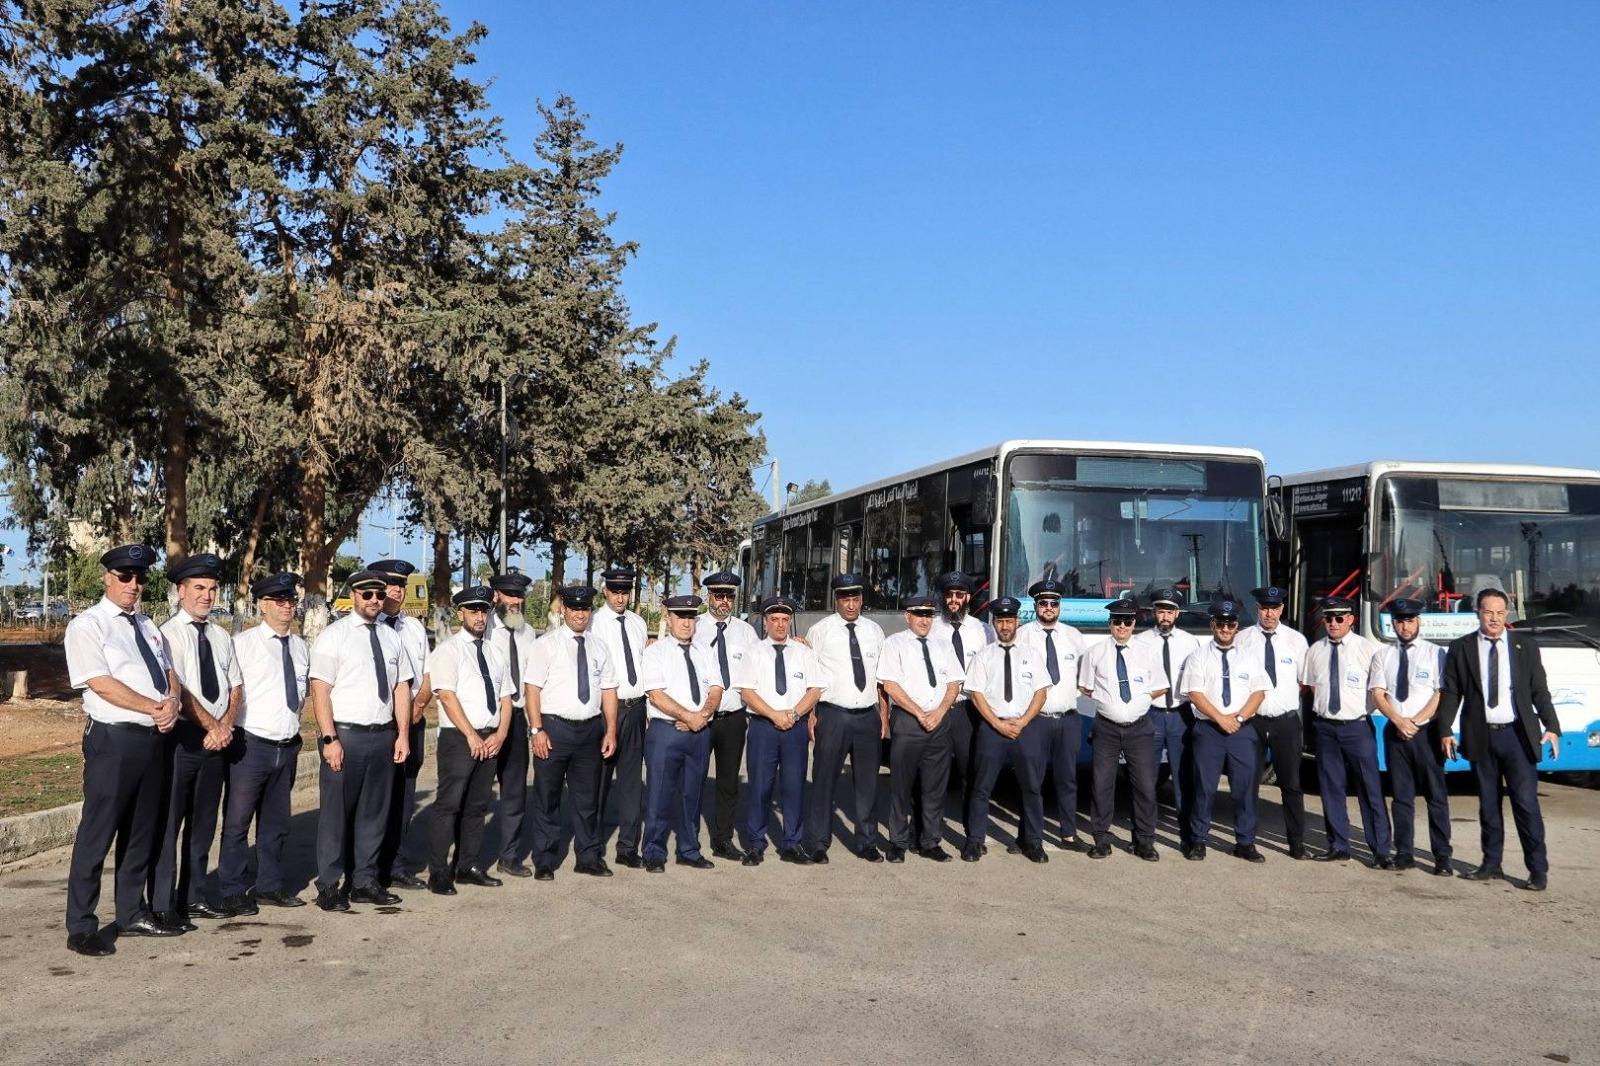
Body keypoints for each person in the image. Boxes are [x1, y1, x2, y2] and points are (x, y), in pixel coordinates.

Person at [63, 545, 184, 955]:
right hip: (114, 741)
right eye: (125, 576)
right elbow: (100, 683)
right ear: (107, 578)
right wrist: (154, 706)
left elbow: (169, 672)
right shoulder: (88, 625)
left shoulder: (148, 625)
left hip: (153, 739)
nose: (134, 584)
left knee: (141, 831)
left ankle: (131, 913)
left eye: (140, 577)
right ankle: (81, 926)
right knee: (98, 833)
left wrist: (173, 702)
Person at [1437, 588, 1560, 891]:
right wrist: (1445, 730)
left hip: (1517, 737)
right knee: (1488, 805)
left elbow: (1539, 690)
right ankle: (1491, 864)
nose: (1494, 618)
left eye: (1500, 612)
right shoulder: (1462, 647)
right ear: (1478, 613)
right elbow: (1452, 692)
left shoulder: (1525, 646)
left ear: (1507, 614)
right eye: (1488, 612)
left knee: (1526, 804)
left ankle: (1537, 870)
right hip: (1482, 736)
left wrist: (1552, 726)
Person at [308, 568, 414, 911]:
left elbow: (401, 687)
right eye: (367, 594)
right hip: (346, 735)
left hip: (382, 735)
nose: (374, 601)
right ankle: (328, 885)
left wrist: (402, 734)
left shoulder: (391, 636)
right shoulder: (334, 636)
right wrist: (329, 738)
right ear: (353, 595)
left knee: (374, 813)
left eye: (379, 595)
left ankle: (364, 881)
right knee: (336, 816)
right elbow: (320, 690)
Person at [153, 552, 244, 928]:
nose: (207, 596)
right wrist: (213, 727)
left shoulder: (221, 636)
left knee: (204, 824)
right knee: (169, 824)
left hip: (216, 741)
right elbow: (180, 692)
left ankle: (193, 896)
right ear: (181, 591)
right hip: (182, 740)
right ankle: (162, 903)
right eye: (199, 588)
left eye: (212, 589)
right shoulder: (166, 635)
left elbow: (235, 686)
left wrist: (225, 725)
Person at [217, 572, 309, 914]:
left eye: (291, 601)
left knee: (277, 822)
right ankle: (232, 888)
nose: (287, 607)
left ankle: (270, 885)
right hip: (251, 745)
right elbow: (231, 691)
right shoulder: (243, 644)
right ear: (262, 605)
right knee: (237, 822)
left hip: (287, 744)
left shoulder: (300, 647)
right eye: (279, 601)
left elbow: (300, 694)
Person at [524, 585, 619, 880]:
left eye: (585, 609)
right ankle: (544, 859)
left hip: (590, 730)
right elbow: (532, 690)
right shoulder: (545, 645)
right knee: (547, 797)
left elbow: (609, 690)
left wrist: (611, 731)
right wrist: (536, 729)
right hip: (554, 729)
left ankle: (588, 857)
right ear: (563, 609)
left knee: (587, 800)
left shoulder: (599, 647)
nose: (580, 614)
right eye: (575, 608)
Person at [425, 586, 514, 895]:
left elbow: (506, 698)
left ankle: (467, 866)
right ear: (460, 613)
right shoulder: (448, 650)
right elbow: (447, 697)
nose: (479, 617)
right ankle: (438, 872)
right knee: (448, 805)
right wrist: (471, 735)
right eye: (473, 610)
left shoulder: (494, 651)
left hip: (489, 738)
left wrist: (500, 734)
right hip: (459, 738)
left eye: (484, 610)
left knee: (477, 806)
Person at [801, 573, 888, 863]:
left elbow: (880, 679)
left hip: (867, 716)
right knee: (824, 781)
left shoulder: (875, 631)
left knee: (868, 785)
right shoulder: (820, 631)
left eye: (855, 598)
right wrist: (811, 715)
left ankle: (867, 842)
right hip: (833, 715)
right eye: (845, 599)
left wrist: (883, 715)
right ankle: (817, 843)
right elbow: (811, 677)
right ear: (836, 599)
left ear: (862, 599)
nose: (851, 605)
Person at [1301, 596, 1393, 868]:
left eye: (1339, 618)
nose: (1333, 623)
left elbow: (1379, 689)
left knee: (1370, 789)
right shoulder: (1315, 650)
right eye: (1328, 618)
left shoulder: (1367, 649)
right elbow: (1312, 687)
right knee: (1331, 789)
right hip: (1326, 728)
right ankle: (1338, 846)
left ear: (1351, 619)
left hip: (1357, 727)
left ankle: (1381, 850)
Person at [738, 595, 826, 865]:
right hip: (763, 727)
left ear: (790, 621)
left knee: (794, 786)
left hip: (794, 728)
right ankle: (755, 844)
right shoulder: (753, 652)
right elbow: (747, 693)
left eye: (784, 619)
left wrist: (795, 714)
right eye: (774, 619)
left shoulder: (804, 653)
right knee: (759, 787)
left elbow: (815, 690)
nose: (779, 624)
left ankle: (792, 844)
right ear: (765, 622)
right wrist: (774, 715)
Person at [961, 597, 1050, 863]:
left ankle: (1033, 841)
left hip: (1026, 727)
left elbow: (1041, 693)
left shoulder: (1032, 655)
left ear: (1017, 622)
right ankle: (975, 841)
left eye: (1009, 621)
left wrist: (1022, 722)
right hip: (992, 727)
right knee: (981, 787)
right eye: (1000, 621)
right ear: (994, 623)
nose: (1005, 626)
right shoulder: (983, 656)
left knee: (1031, 787)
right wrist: (997, 723)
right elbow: (976, 695)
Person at [640, 595, 724, 872]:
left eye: (691, 617)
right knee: (659, 795)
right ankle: (653, 851)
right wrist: (689, 717)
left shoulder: (705, 651)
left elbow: (716, 688)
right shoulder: (655, 652)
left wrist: (703, 716)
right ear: (669, 619)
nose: (686, 623)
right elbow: (655, 694)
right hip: (666, 733)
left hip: (699, 732)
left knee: (693, 795)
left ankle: (689, 849)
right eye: (680, 617)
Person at [878, 595, 965, 863]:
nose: (924, 620)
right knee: (901, 787)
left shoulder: (943, 644)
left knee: (934, 788)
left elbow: (954, 683)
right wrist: (919, 712)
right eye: (919, 615)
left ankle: (930, 842)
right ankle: (898, 842)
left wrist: (939, 712)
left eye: (928, 615)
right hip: (908, 722)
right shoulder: (894, 643)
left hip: (939, 723)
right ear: (908, 616)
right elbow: (890, 685)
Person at [1369, 598, 1452, 876]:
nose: (1405, 627)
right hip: (1396, 731)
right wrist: (1398, 720)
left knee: (1435, 796)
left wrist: (1415, 722)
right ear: (1393, 624)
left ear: (1418, 622)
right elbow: (1378, 694)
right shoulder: (1383, 655)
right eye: (1400, 621)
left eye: (1410, 621)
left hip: (1425, 732)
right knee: (1401, 797)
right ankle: (1404, 853)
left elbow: (1440, 693)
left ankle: (1442, 856)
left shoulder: (1435, 653)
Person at [1182, 598, 1269, 862]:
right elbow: (1195, 694)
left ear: (1236, 627)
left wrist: (1239, 718)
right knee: (1205, 788)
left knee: (1245, 789)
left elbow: (1258, 692)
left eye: (1230, 624)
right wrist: (1220, 718)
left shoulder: (1249, 657)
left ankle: (1245, 842)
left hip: (1241, 730)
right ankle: (1198, 840)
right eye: (1220, 624)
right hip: (1209, 730)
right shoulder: (1198, 656)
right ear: (1213, 625)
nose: (1225, 629)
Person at [1078, 599, 1164, 860]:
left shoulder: (1148, 652)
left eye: (1127, 621)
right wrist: (1110, 703)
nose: (1122, 626)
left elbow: (1160, 685)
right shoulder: (1095, 653)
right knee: (1102, 785)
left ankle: (1144, 841)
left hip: (1139, 729)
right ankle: (1101, 839)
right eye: (1117, 621)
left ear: (1134, 623)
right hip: (1106, 729)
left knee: (1145, 786)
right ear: (1110, 623)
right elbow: (1085, 687)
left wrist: (1140, 701)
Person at [1235, 585, 1311, 860]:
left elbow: (1304, 682)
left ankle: (1297, 843)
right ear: (1258, 609)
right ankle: (1245, 842)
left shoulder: (1296, 640)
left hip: (1285, 723)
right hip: (1252, 723)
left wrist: (1281, 701)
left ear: (1281, 609)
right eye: (1265, 608)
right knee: (1248, 784)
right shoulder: (1242, 639)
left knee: (1291, 785)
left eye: (1274, 608)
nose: (1269, 613)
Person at [370, 558, 431, 891]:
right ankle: (366, 867)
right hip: (379, 725)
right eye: (391, 584)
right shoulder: (368, 627)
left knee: (405, 796)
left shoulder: (415, 628)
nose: (397, 591)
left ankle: (396, 864)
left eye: (401, 585)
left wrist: (418, 705)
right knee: (375, 798)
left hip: (413, 722)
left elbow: (427, 673)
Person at [1016, 578, 1089, 852]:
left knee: (1067, 780)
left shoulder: (1073, 636)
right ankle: (1029, 837)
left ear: (1060, 606)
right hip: (1035, 721)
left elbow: (1084, 672)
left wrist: (1073, 694)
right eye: (1043, 603)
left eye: (1054, 603)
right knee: (1031, 781)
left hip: (1068, 719)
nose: (1049, 607)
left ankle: (1068, 835)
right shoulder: (1022, 635)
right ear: (1035, 605)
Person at [694, 570, 760, 861]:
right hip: (701, 717)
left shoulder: (746, 633)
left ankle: (723, 840)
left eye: (729, 596)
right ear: (708, 596)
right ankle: (688, 839)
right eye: (719, 595)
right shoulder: (694, 627)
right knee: (694, 780)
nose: (724, 601)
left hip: (733, 717)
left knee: (728, 782)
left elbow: (760, 667)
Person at [1130, 587, 1201, 849]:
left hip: (1181, 716)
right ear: (1154, 612)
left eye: (1170, 611)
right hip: (1151, 714)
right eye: (1161, 611)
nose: (1165, 616)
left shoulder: (1190, 642)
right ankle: (1143, 838)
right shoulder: (1139, 642)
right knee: (1145, 780)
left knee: (1184, 779)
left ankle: (1188, 838)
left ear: (1177, 614)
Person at [595, 566, 650, 868]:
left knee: (631, 782)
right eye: (615, 591)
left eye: (625, 592)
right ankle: (592, 846)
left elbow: (642, 666)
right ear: (605, 591)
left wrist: (648, 711)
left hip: (636, 706)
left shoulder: (638, 623)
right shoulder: (593, 623)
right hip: (607, 708)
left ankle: (627, 847)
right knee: (599, 780)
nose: (620, 597)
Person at [485, 571, 537, 877]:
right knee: (476, 793)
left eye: (519, 595)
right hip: (487, 719)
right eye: (510, 595)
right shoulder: (485, 629)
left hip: (516, 718)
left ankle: (509, 856)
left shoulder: (527, 632)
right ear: (497, 597)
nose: (515, 601)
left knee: (515, 791)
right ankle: (467, 860)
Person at [931, 571, 990, 838]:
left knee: (971, 775)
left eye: (959, 595)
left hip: (969, 711)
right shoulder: (931, 627)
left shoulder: (983, 630)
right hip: (939, 709)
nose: (954, 600)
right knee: (933, 776)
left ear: (967, 597)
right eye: (949, 595)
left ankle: (973, 837)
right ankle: (928, 836)